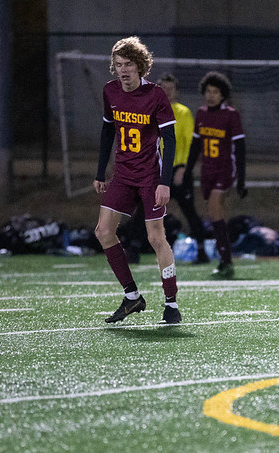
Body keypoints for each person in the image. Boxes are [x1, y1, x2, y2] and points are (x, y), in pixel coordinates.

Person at [93, 36, 181, 324]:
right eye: (118, 65)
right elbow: (108, 132)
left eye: (129, 64)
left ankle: (171, 303)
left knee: (156, 237)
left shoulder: (155, 95)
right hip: (123, 174)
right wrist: (99, 171)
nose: (123, 70)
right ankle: (132, 297)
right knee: (103, 232)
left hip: (149, 176)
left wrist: (164, 181)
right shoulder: (110, 91)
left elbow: (169, 139)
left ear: (141, 66)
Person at [124, 73, 210, 265]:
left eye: (171, 89)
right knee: (144, 209)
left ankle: (202, 250)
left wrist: (183, 169)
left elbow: (190, 143)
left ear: (176, 92)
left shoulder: (183, 112)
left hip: (177, 170)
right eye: (164, 88)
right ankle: (134, 249)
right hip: (154, 171)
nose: (167, 92)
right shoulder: (150, 110)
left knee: (189, 210)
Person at [183, 71, 247, 278]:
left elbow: (240, 147)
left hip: (225, 170)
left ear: (223, 95)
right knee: (214, 214)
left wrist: (242, 179)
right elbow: (195, 145)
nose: (211, 95)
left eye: (215, 92)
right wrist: (187, 171)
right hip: (207, 171)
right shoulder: (201, 113)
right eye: (208, 91)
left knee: (214, 206)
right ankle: (224, 260)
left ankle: (227, 261)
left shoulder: (231, 115)